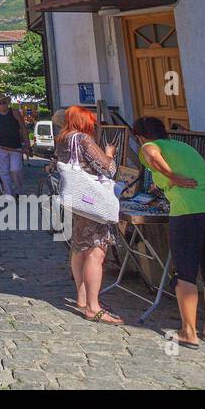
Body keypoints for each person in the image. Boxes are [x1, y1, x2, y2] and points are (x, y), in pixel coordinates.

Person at [134, 116, 205, 348]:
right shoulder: (185, 147)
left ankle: (189, 331)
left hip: (188, 213)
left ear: (140, 136)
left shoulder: (148, 145)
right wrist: (166, 179)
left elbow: (151, 155)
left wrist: (171, 176)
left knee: (185, 273)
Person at [57, 105, 123, 325]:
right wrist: (110, 154)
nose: (94, 125)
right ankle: (93, 307)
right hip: (92, 202)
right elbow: (108, 169)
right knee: (96, 252)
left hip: (77, 201)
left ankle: (82, 297)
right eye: (91, 122)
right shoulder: (83, 139)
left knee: (79, 247)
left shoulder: (63, 139)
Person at [0, 93, 30, 195]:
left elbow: (23, 128)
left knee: (15, 170)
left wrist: (27, 144)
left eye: (4, 103)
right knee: (4, 172)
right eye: (0, 103)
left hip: (15, 147)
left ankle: (18, 190)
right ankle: (8, 194)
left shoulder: (15, 113)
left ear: (7, 103)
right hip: (0, 147)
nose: (2, 105)